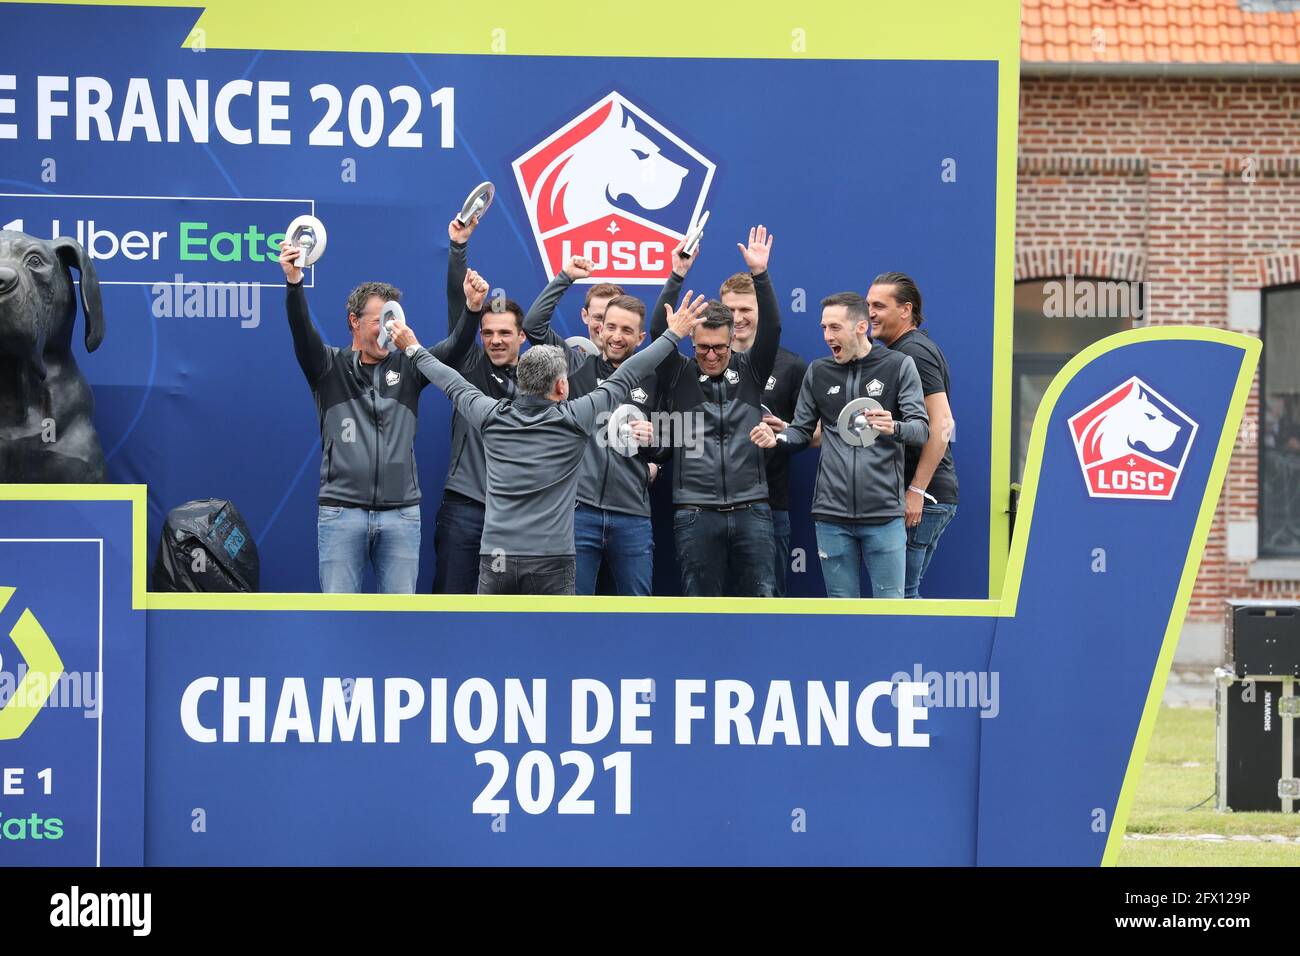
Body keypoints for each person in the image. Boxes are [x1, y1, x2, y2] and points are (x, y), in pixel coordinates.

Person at [392, 290, 711, 595]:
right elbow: (628, 373)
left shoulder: (490, 415)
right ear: (561, 387)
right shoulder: (575, 418)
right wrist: (672, 335)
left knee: (492, 639)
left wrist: (412, 347)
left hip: (497, 558)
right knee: (556, 644)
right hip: (553, 562)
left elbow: (450, 382)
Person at [278, 235, 487, 593]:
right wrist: (294, 282)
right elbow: (302, 331)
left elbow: (454, 349)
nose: (390, 328)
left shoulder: (410, 366)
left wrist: (471, 310)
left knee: (401, 620)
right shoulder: (327, 366)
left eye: (394, 319)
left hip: (402, 515)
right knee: (339, 619)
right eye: (380, 320)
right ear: (354, 322)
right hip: (341, 513)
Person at [751, 292, 928, 599]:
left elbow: (922, 430)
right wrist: (776, 439)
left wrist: (894, 426)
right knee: (842, 615)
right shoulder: (818, 372)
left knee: (890, 614)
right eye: (823, 328)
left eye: (834, 328)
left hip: (884, 516)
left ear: (861, 327)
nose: (826, 336)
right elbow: (801, 434)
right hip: (831, 517)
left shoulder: (899, 366)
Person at [648, 226, 782, 597]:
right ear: (691, 340)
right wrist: (677, 273)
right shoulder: (677, 372)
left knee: (763, 601)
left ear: (732, 340)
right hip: (695, 512)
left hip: (752, 509)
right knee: (699, 607)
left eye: (719, 348)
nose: (710, 356)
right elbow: (658, 329)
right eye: (702, 348)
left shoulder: (752, 370)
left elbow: (771, 327)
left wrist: (760, 274)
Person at [522, 256, 665, 595]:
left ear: (641, 338)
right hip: (578, 513)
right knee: (572, 611)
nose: (616, 336)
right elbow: (533, 326)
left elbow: (670, 442)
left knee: (637, 611)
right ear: (598, 329)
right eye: (610, 327)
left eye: (626, 330)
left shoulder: (655, 378)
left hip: (632, 516)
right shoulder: (574, 367)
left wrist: (655, 444)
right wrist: (566, 276)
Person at [432, 217, 530, 594]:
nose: (496, 340)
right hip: (464, 508)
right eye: (488, 333)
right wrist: (458, 248)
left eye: (505, 333)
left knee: (509, 613)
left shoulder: (541, 382)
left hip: (516, 515)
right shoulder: (469, 365)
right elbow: (460, 314)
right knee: (450, 603)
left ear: (522, 336)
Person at [869, 272, 959, 598]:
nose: (870, 313)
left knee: (900, 600)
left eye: (879, 305)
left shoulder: (914, 353)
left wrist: (917, 489)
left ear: (906, 310)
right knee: (903, 597)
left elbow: (943, 424)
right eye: (868, 305)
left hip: (923, 497)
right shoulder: (904, 350)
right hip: (922, 496)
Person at [719, 271, 808, 596]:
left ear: (762, 311)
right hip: (711, 507)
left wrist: (786, 433)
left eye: (746, 310)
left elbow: (817, 433)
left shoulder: (791, 365)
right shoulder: (705, 361)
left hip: (770, 505)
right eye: (730, 310)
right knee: (710, 608)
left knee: (766, 603)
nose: (737, 318)